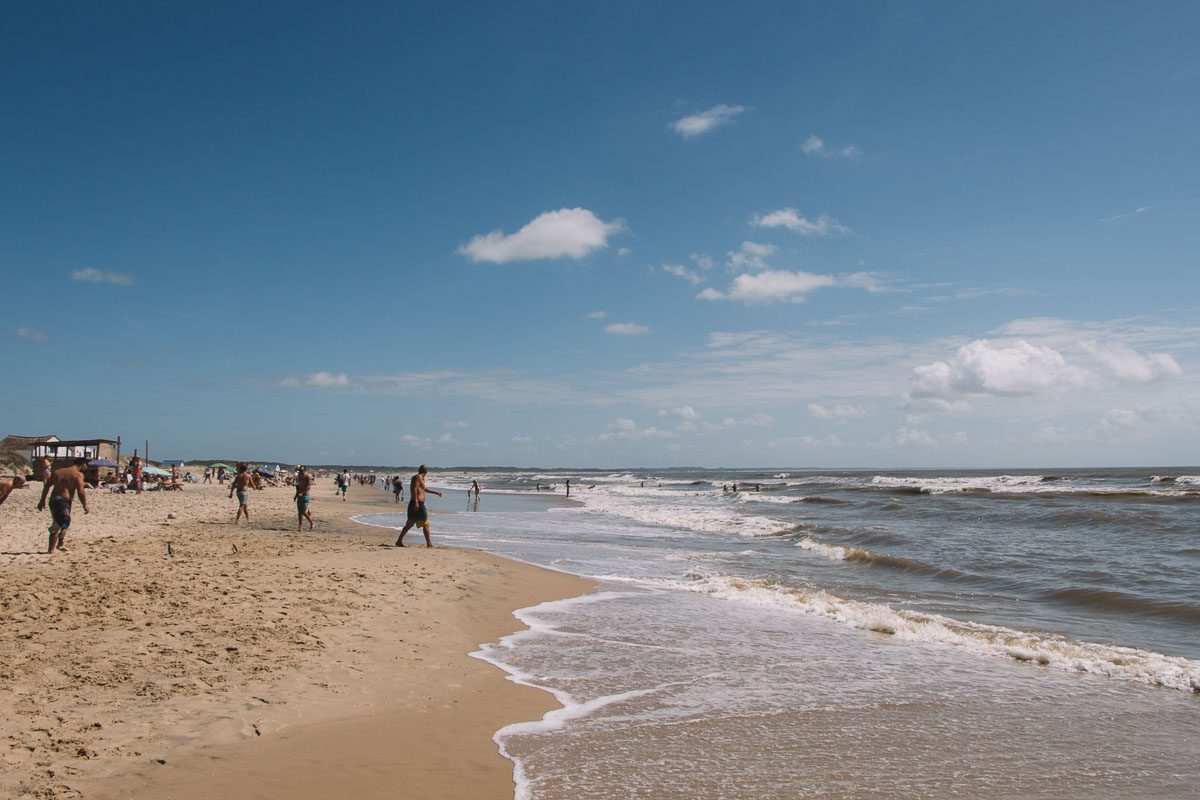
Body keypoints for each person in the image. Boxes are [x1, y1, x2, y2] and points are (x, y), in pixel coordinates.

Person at [37, 459, 89, 554]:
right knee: (60, 523)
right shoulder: (78, 475)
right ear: (83, 464)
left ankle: (58, 544)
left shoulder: (58, 472)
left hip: (54, 500)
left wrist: (42, 500)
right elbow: (80, 491)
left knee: (63, 521)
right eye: (86, 465)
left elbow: (47, 486)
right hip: (63, 502)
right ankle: (54, 548)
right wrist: (85, 504)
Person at [395, 464, 442, 547]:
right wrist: (416, 502)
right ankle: (429, 544)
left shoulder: (420, 478)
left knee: (410, 523)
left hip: (416, 503)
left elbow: (424, 489)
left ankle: (399, 541)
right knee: (425, 523)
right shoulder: (418, 477)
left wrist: (436, 492)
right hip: (417, 503)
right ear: (426, 471)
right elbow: (415, 488)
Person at [294, 466, 314, 531]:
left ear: (305, 470)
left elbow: (308, 487)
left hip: (305, 496)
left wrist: (302, 493)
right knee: (299, 512)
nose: (300, 472)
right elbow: (298, 487)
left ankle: (311, 523)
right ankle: (300, 526)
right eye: (299, 470)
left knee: (304, 512)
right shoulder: (299, 476)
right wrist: (296, 495)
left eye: (301, 471)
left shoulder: (307, 476)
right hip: (300, 496)